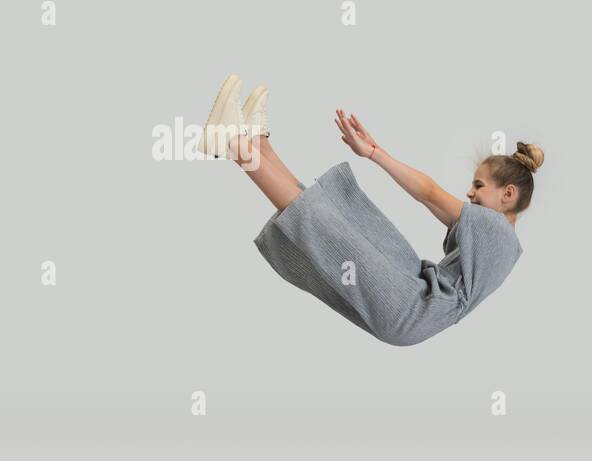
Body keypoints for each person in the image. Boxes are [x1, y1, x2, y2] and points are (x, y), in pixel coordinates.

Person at [199, 74, 542, 346]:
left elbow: (430, 193)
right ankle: (258, 142)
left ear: (508, 194)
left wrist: (375, 153)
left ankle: (232, 144)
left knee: (324, 227)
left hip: (413, 308)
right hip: (418, 293)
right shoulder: (497, 240)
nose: (469, 192)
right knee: (340, 218)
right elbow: (431, 200)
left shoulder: (496, 231)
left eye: (479, 186)